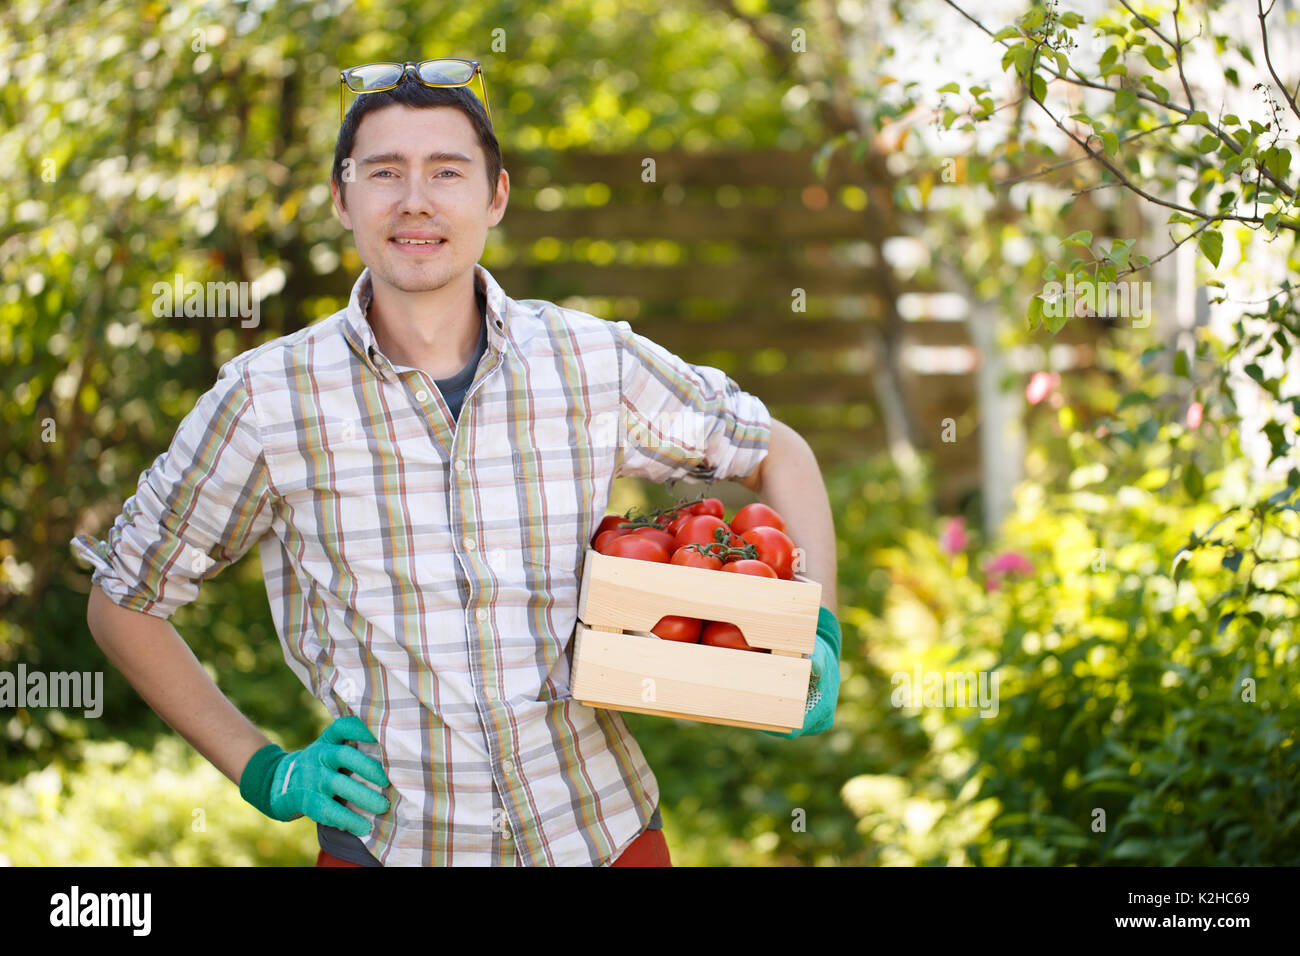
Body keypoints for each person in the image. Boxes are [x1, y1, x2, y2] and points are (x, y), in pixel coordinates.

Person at [73, 63, 842, 867]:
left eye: (446, 172)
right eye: (384, 173)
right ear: (343, 199)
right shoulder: (268, 401)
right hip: (390, 848)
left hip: (602, 836)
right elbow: (125, 598)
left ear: (495, 196)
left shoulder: (589, 362)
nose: (416, 201)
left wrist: (815, 629)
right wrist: (265, 770)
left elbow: (776, 452)